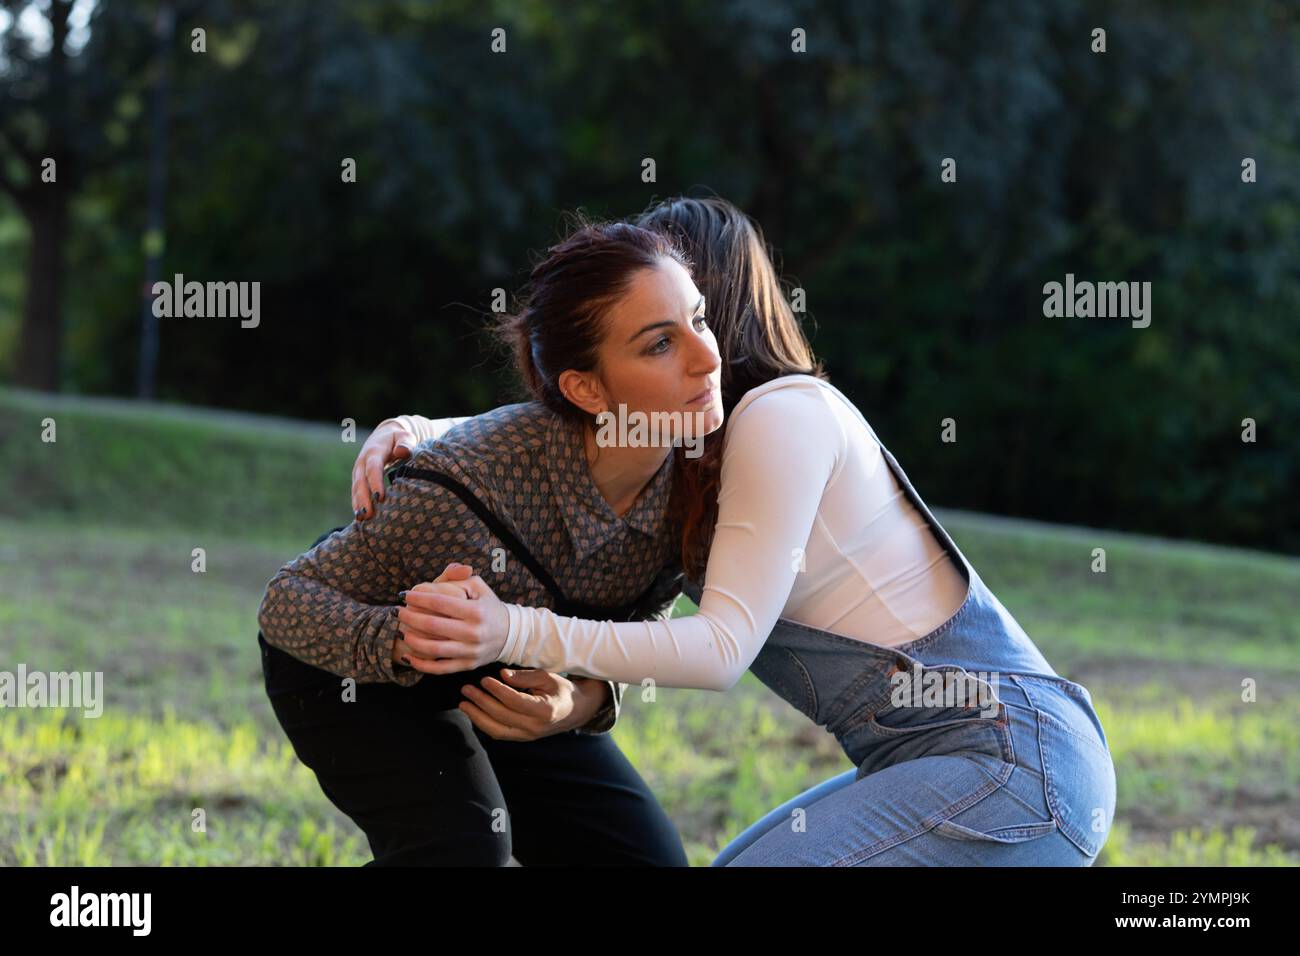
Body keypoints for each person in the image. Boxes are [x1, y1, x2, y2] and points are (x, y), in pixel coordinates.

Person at [369, 197, 1119, 866]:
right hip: (952, 759)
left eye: (678, 307)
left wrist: (513, 630)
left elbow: (721, 650)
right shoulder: (691, 447)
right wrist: (422, 430)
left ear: (712, 300)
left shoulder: (783, 414)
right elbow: (567, 426)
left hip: (1013, 761)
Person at [257, 217, 721, 865]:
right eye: (659, 345)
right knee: (461, 854)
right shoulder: (466, 484)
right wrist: (406, 638)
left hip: (506, 677)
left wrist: (583, 699)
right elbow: (286, 600)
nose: (708, 357)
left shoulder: (700, 480)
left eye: (699, 320)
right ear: (586, 389)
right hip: (346, 671)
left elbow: (637, 615)